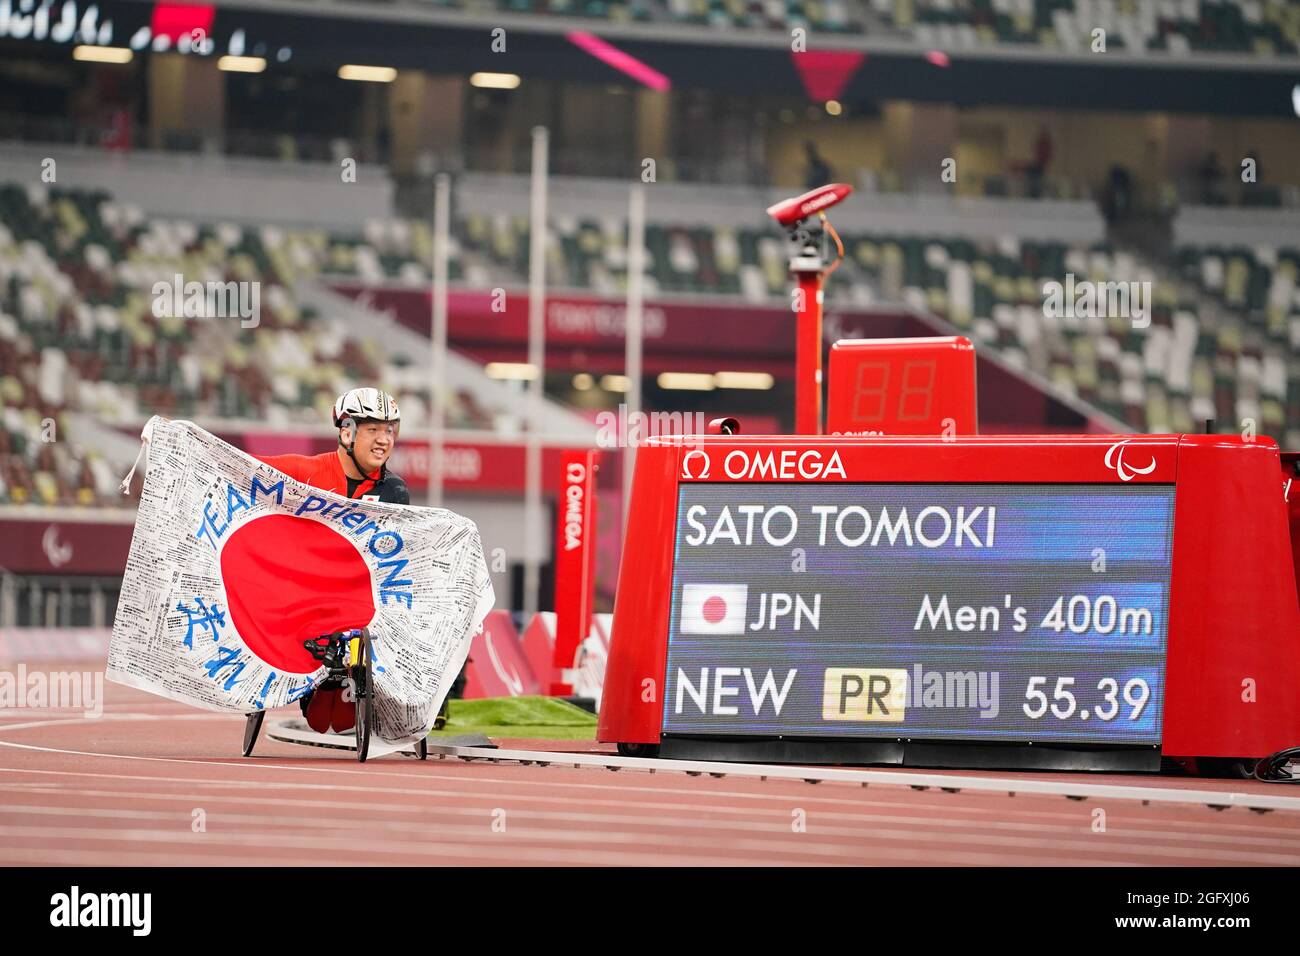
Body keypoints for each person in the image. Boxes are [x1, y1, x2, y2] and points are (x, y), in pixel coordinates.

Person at [255, 387, 464, 737]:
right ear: (347, 432)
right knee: (324, 718)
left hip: (362, 600)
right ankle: (319, 678)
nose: (384, 440)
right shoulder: (306, 472)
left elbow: (396, 556)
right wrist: (175, 438)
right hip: (304, 599)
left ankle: (417, 697)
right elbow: (236, 465)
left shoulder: (394, 490)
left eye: (390, 430)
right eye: (373, 430)